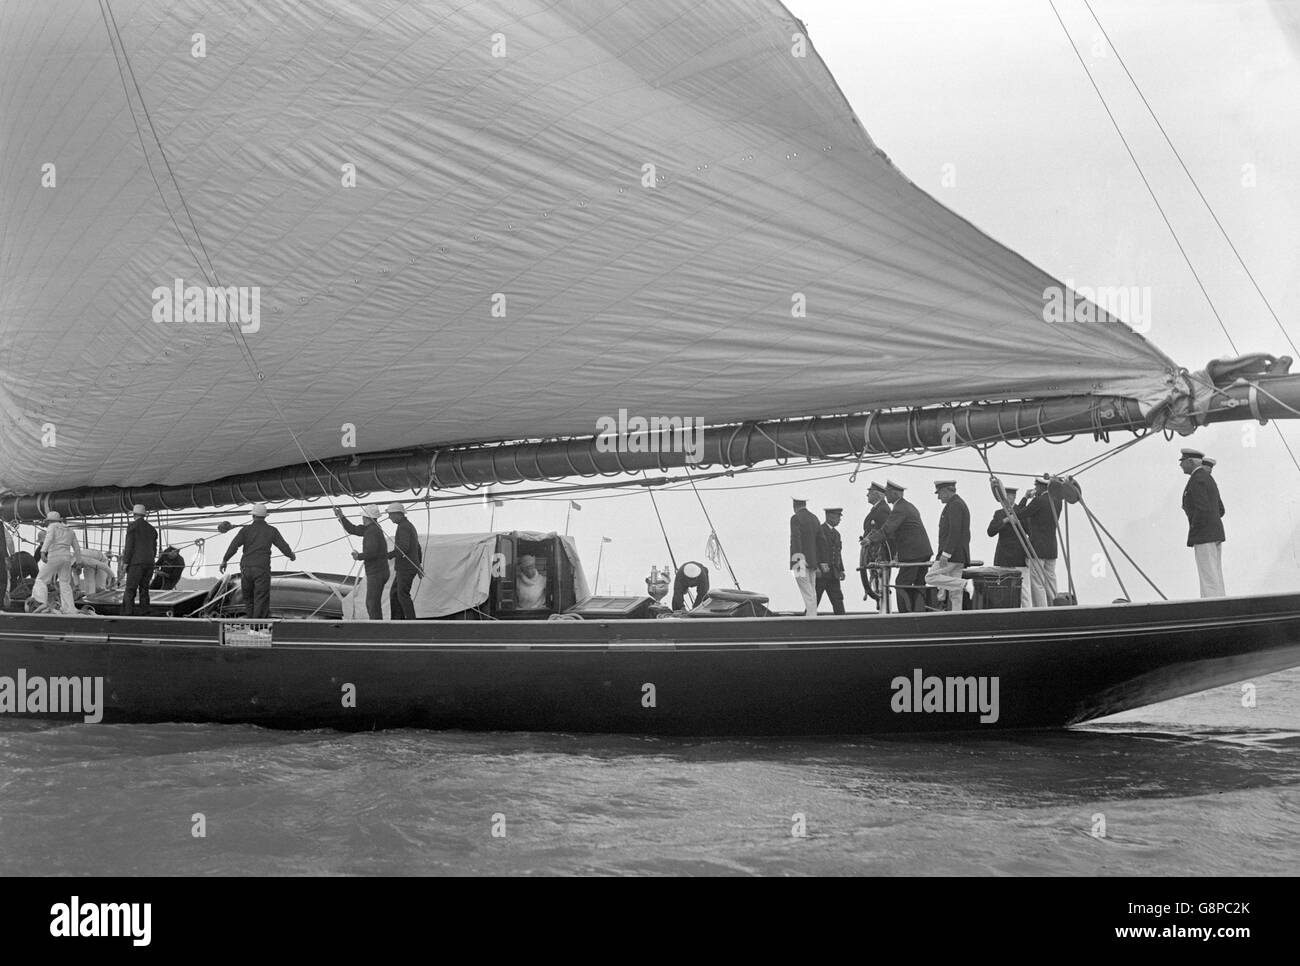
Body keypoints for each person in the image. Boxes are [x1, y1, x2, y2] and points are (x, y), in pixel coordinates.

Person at [219, 503, 297, 619]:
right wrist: (291, 556)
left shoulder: (245, 530)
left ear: (253, 516)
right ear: (265, 516)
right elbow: (283, 546)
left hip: (246, 568)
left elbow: (233, 546)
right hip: (261, 569)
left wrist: (225, 560)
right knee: (261, 598)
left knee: (248, 598)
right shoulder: (272, 531)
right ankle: (257, 628)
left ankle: (251, 623)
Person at [867, 481, 932, 613]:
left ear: (895, 494)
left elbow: (888, 529)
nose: (886, 496)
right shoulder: (908, 506)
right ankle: (919, 612)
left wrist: (870, 540)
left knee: (902, 583)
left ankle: (905, 615)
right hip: (922, 551)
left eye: (888, 493)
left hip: (913, 553)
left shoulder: (900, 508)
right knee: (919, 583)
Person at [1180, 448, 1226, 597]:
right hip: (1214, 532)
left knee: (1207, 574)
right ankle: (1219, 602)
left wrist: (1195, 527)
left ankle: (1212, 607)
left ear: (1191, 462)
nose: (1180, 465)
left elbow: (1202, 508)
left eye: (1183, 462)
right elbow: (1220, 509)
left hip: (1203, 533)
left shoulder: (1197, 479)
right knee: (1215, 572)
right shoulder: (1207, 478)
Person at [335, 504, 389, 620]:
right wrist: (341, 517)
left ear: (367, 518)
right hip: (380, 571)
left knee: (371, 603)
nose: (362, 519)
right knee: (372, 602)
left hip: (376, 572)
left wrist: (358, 556)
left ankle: (377, 628)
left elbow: (372, 552)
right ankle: (377, 625)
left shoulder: (372, 532)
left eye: (363, 517)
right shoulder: (372, 529)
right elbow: (353, 529)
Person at [925, 481, 970, 611]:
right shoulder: (957, 503)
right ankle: (957, 616)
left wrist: (946, 554)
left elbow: (954, 531)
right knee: (956, 593)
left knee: (930, 577)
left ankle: (965, 584)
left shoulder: (955, 505)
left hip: (951, 555)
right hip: (959, 555)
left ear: (945, 491)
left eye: (939, 494)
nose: (939, 497)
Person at [1019, 475, 1061, 607]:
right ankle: (1055, 605)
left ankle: (1041, 609)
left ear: (1041, 486)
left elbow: (1020, 514)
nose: (1034, 488)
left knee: (1037, 582)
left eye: (1036, 486)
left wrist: (1025, 498)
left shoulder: (1039, 501)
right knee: (1051, 580)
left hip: (1037, 548)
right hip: (1051, 548)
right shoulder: (1058, 501)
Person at [987, 486, 1031, 608]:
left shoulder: (1022, 511)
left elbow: (1029, 531)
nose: (1006, 500)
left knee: (1024, 589)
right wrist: (1005, 520)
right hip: (1004, 556)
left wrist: (1018, 522)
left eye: (1009, 497)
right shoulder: (999, 514)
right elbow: (990, 532)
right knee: (1003, 587)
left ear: (1014, 498)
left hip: (1019, 556)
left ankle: (1027, 612)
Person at [32, 511, 82, 615]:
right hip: (67, 558)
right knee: (65, 583)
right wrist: (79, 562)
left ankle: (41, 602)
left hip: (54, 556)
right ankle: (69, 609)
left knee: (41, 579)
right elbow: (77, 548)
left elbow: (49, 539)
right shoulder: (70, 530)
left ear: (49, 521)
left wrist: (42, 552)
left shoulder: (52, 527)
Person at [385, 503, 423, 620]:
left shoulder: (403, 527)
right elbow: (417, 547)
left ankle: (410, 621)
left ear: (398, 514)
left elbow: (404, 547)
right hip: (408, 567)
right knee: (395, 593)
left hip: (405, 568)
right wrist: (418, 565)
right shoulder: (408, 525)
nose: (389, 517)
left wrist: (389, 555)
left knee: (402, 595)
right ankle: (398, 620)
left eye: (390, 514)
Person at [119, 504, 158, 615]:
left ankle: (127, 613)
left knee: (130, 589)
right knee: (144, 589)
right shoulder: (152, 529)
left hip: (136, 564)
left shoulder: (133, 527)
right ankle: (145, 612)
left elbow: (129, 546)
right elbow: (154, 549)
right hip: (149, 563)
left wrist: (125, 563)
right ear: (144, 515)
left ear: (134, 515)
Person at [858, 482, 892, 603]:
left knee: (882, 583)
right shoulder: (877, 509)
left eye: (870, 492)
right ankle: (881, 605)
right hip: (872, 552)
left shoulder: (883, 510)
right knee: (877, 583)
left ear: (877, 495)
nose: (867, 495)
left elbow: (885, 532)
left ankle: (884, 607)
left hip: (879, 553)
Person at [789, 497, 822, 616]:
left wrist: (798, 558)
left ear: (794, 505)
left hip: (799, 561)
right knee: (812, 589)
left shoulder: (795, 518)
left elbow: (795, 539)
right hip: (813, 562)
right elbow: (820, 541)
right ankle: (813, 614)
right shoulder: (814, 518)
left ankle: (811, 616)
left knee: (806, 590)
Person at [816, 508, 846, 615]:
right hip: (821, 575)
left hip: (833, 574)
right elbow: (814, 550)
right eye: (838, 516)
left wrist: (841, 570)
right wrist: (816, 567)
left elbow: (838, 553)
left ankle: (842, 623)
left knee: (838, 599)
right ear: (829, 516)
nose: (839, 519)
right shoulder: (819, 530)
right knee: (814, 600)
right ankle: (806, 622)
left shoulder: (837, 534)